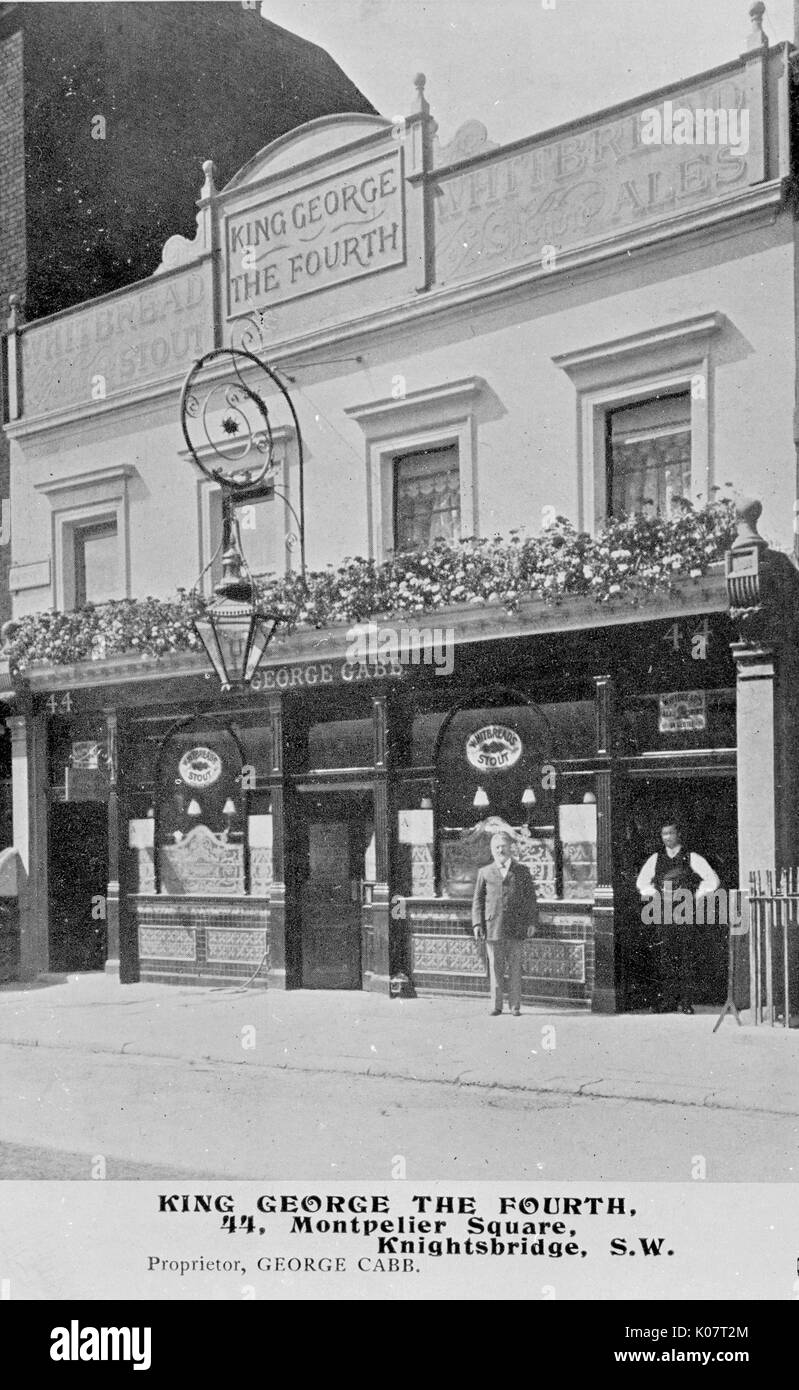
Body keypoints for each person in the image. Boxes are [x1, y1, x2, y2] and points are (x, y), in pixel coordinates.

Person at [636, 819, 720, 1014]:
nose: (667, 837)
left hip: (684, 912)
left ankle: (685, 1001)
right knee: (665, 956)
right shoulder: (656, 858)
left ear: (678, 834)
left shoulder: (691, 857)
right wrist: (653, 893)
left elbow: (712, 879)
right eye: (664, 834)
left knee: (685, 956)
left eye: (670, 833)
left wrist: (697, 896)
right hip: (663, 912)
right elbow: (642, 882)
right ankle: (667, 1001)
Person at [472, 832, 539, 1016]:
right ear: (492, 851)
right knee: (495, 968)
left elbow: (531, 900)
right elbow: (478, 901)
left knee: (516, 968)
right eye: (497, 847)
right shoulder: (484, 872)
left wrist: (532, 922)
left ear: (511, 848)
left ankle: (515, 1006)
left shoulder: (522, 871)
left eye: (504, 846)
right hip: (493, 928)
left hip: (516, 927)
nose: (500, 850)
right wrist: (477, 924)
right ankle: (496, 1005)